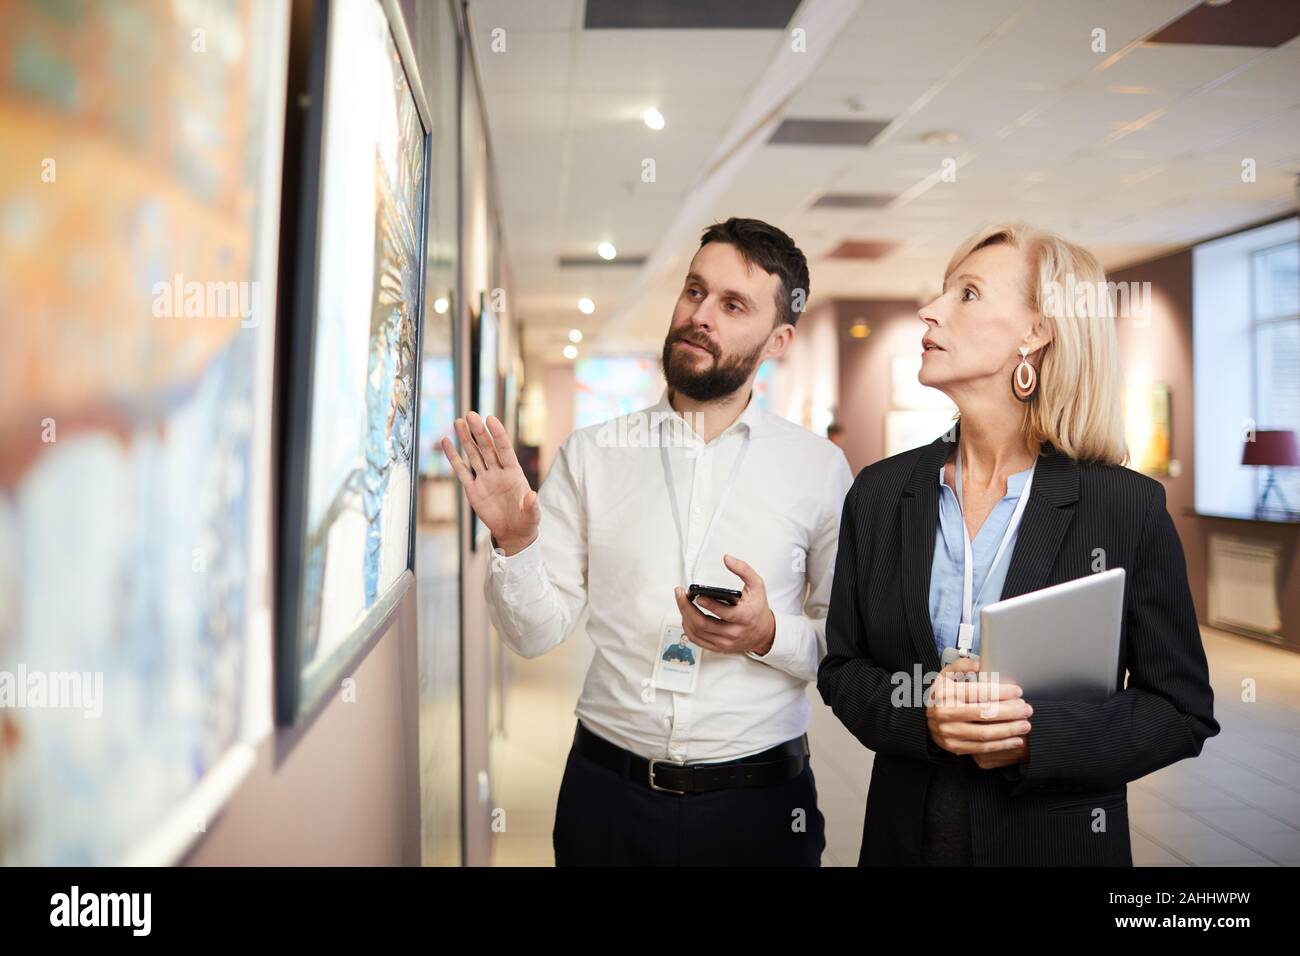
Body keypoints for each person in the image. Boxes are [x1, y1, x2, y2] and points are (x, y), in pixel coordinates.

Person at [443, 217, 852, 866]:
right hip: (608, 799)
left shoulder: (818, 470)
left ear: (778, 340)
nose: (700, 315)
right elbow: (534, 635)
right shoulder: (593, 455)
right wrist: (515, 543)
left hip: (762, 807)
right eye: (695, 290)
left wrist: (767, 633)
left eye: (733, 305)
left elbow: (846, 647)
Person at [817, 222, 1219, 866]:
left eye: (968, 294)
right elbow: (842, 671)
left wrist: (1033, 734)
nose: (930, 311)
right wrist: (923, 712)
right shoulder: (880, 493)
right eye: (943, 291)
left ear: (1037, 331)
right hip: (906, 842)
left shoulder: (1124, 508)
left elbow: (1179, 712)